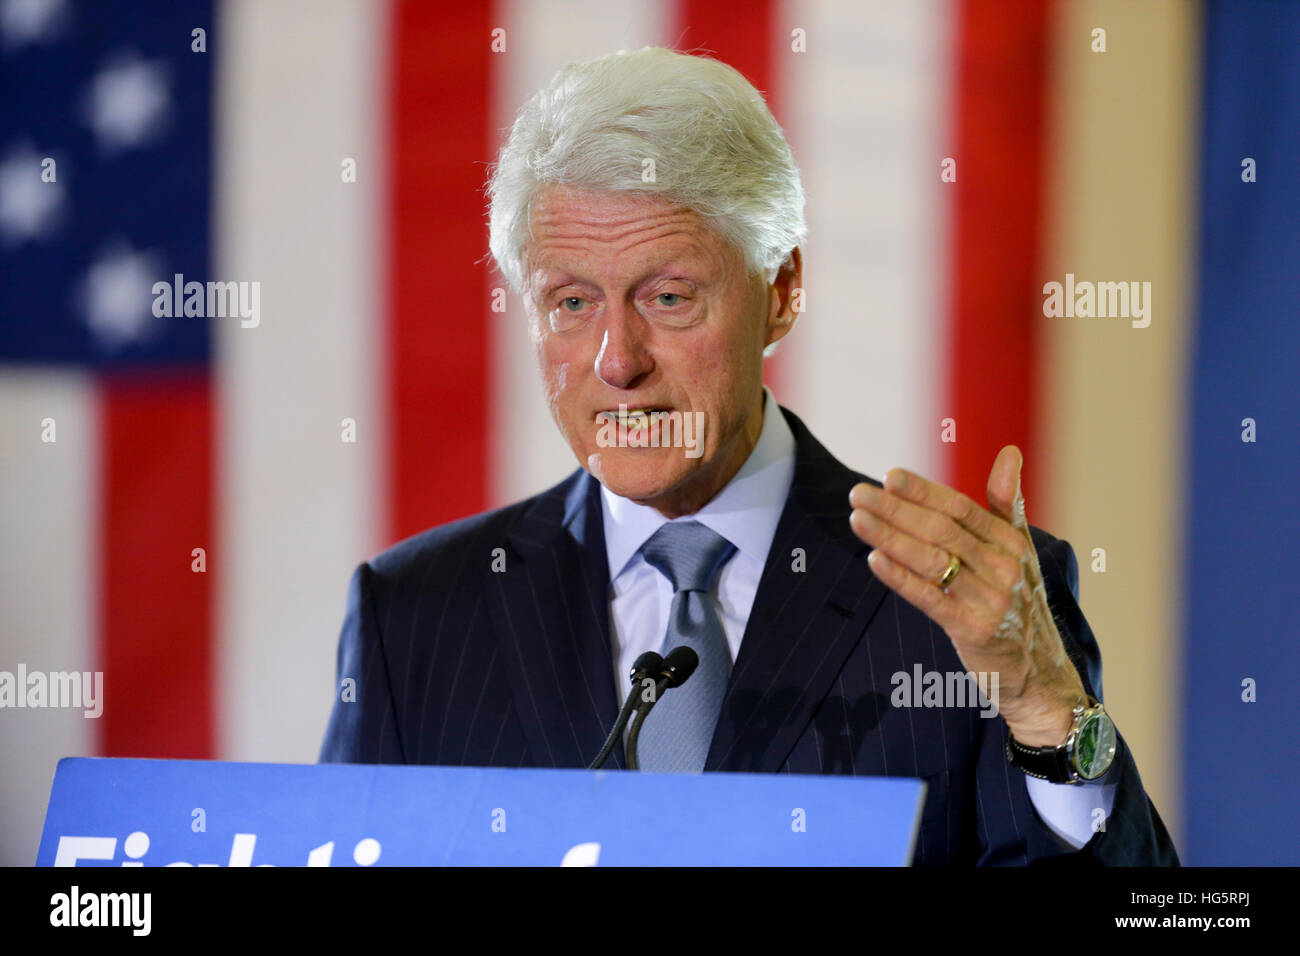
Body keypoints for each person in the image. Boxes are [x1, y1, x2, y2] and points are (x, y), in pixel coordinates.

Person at [320, 46, 1178, 865]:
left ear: (781, 291)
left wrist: (1044, 707)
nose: (617, 360)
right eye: (572, 302)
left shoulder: (968, 605)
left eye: (668, 296)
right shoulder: (415, 619)